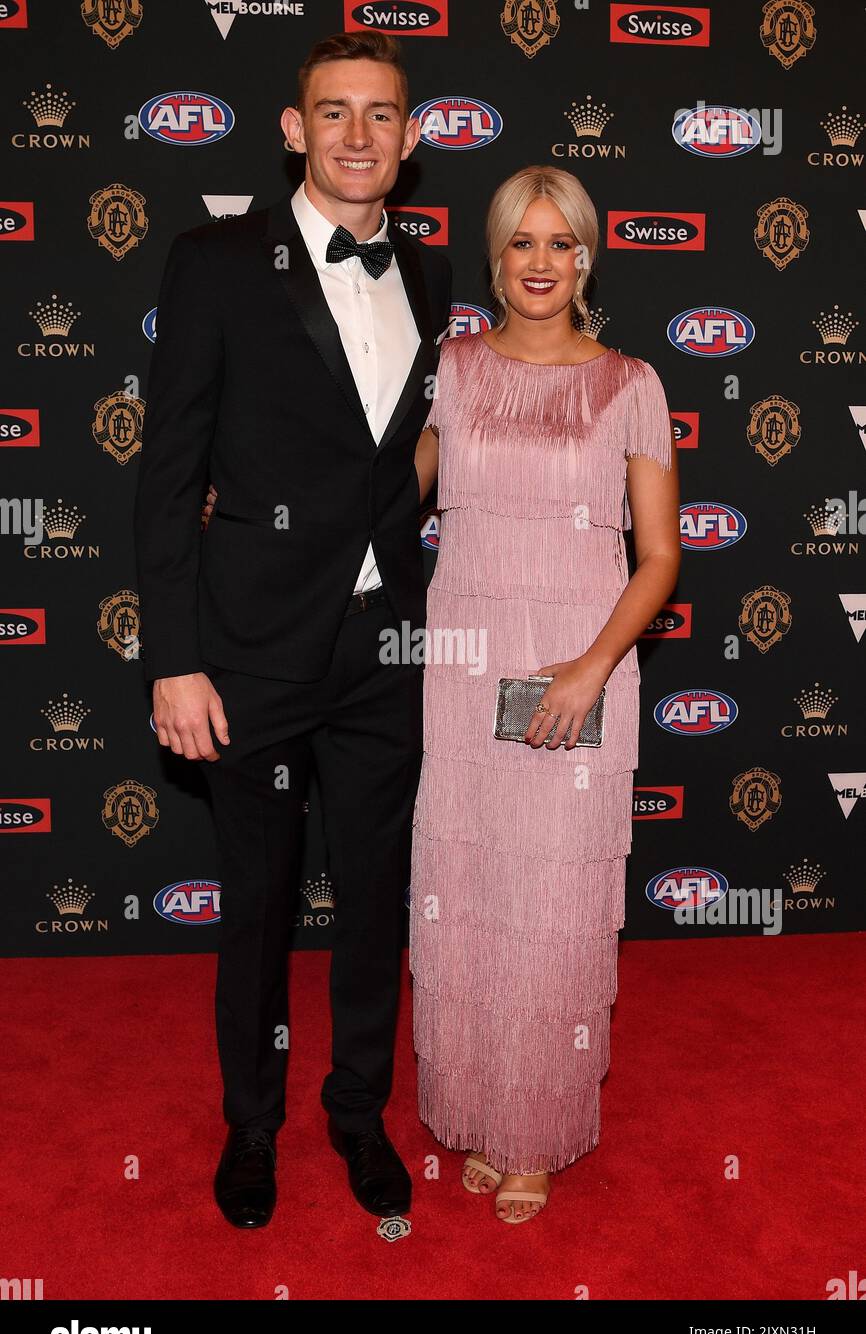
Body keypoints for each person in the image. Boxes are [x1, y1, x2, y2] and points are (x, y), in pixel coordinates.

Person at [133, 31, 452, 1227]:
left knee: (374, 900)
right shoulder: (214, 261)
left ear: (411, 136)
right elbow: (167, 476)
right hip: (252, 649)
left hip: (383, 651)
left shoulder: (426, 276)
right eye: (334, 113)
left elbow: (397, 460)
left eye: (380, 115)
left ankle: (358, 1111)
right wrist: (174, 655)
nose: (358, 136)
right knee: (258, 909)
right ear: (291, 128)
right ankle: (252, 1128)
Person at [409, 166, 681, 1224]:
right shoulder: (453, 371)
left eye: (559, 243)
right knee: (468, 891)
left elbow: (656, 557)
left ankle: (532, 1134)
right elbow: (390, 492)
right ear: (494, 257)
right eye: (520, 243)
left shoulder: (630, 384)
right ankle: (479, 1111)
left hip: (575, 661)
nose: (538, 262)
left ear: (585, 256)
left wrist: (588, 668)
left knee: (553, 909)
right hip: (463, 661)